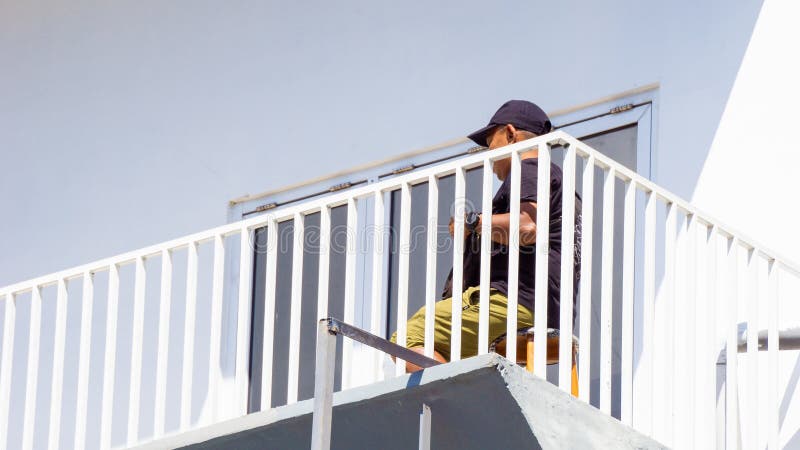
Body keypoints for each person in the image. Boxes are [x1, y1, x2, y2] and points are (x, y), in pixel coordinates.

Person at [390, 100, 582, 372]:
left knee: (409, 338)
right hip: (547, 308)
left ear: (511, 134)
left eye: (491, 142)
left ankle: (462, 406)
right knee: (454, 358)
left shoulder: (529, 167)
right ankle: (473, 400)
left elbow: (528, 227)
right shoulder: (563, 188)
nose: (488, 155)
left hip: (514, 302)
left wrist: (473, 222)